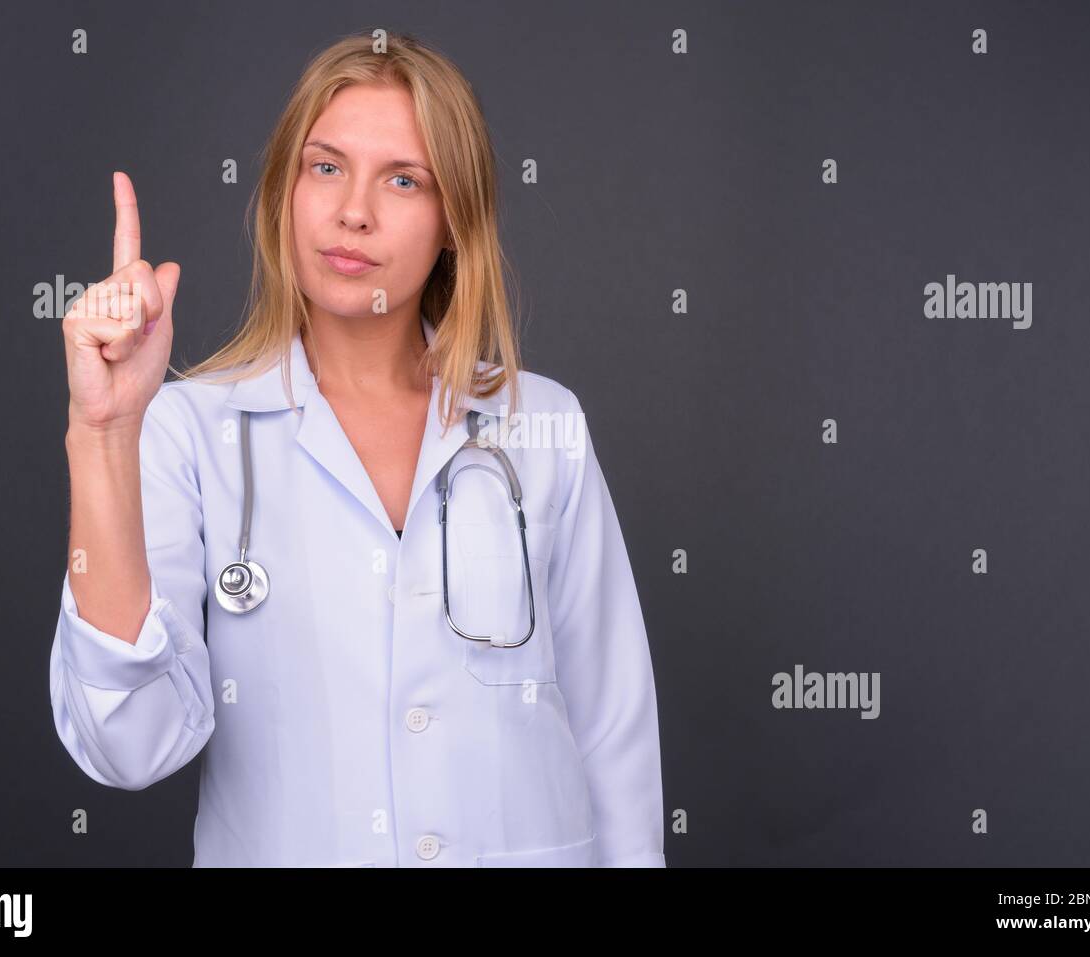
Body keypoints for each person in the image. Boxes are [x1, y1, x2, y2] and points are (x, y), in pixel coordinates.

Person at [50, 30, 664, 867]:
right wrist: (104, 433)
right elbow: (131, 742)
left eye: (404, 180)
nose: (353, 212)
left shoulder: (541, 424)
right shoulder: (187, 429)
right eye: (326, 166)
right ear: (284, 191)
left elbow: (612, 727)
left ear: (456, 221)